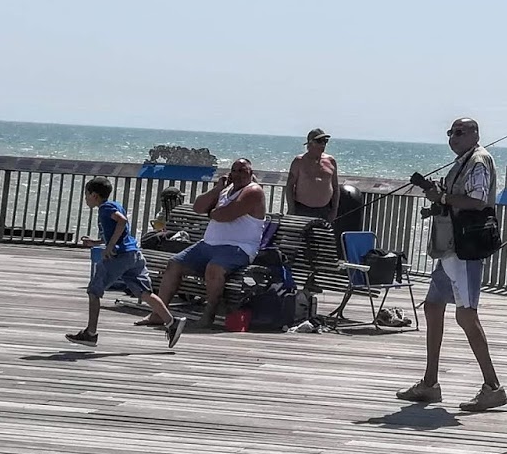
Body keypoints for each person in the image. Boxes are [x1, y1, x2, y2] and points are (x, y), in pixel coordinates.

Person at [396, 117, 507, 412]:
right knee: (433, 307)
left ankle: (493, 387)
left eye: (459, 132)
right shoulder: (462, 161)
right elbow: (456, 199)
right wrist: (440, 198)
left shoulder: (479, 160)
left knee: (466, 315)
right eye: (450, 133)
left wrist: (444, 196)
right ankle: (430, 384)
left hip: (465, 247)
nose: (453, 137)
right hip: (449, 248)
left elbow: (478, 200)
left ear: (474, 134)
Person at [139, 158, 266, 328]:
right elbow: (198, 207)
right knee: (174, 264)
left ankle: (209, 314)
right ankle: (159, 313)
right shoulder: (225, 190)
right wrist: (217, 189)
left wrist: (211, 213)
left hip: (238, 247)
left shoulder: (254, 191)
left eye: (244, 171)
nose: (239, 175)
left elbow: (227, 214)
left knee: (214, 269)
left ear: (251, 173)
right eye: (235, 171)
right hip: (208, 244)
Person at [67, 178, 187, 348]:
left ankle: (90, 333)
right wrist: (95, 243)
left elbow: (122, 221)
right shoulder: (115, 205)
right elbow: (117, 231)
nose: (85, 198)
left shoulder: (105, 208)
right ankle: (171, 322)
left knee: (94, 291)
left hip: (120, 256)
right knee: (145, 293)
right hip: (133, 253)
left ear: (94, 195)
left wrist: (109, 247)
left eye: (86, 195)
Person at [285, 128, 339, 221]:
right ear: (310, 143)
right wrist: (291, 208)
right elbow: (290, 186)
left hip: (324, 210)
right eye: (319, 141)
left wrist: (334, 211)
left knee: (322, 235)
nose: (323, 144)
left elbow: (335, 188)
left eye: (325, 141)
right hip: (302, 209)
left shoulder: (331, 161)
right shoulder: (299, 161)